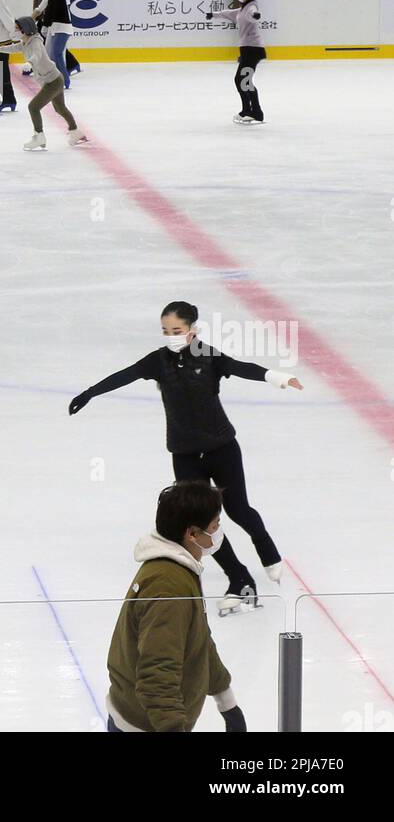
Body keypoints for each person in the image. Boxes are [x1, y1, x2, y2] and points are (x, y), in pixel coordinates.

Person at [69, 300, 303, 612]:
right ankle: (240, 578)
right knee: (201, 521)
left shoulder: (209, 356)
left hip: (221, 447)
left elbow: (239, 367)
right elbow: (124, 375)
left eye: (176, 330)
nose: (171, 336)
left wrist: (276, 376)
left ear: (192, 328)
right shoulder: (158, 361)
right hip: (184, 453)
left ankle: (268, 552)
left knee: (237, 509)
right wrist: (89, 393)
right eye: (166, 330)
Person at [105, 482, 247, 733]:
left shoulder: (178, 570)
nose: (218, 532)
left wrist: (226, 700)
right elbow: (157, 675)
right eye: (214, 526)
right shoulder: (168, 589)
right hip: (145, 725)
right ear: (192, 533)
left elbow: (197, 639)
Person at [13, 16, 85, 150]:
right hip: (55, 78)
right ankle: (75, 132)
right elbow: (12, 48)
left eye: (17, 29)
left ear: (25, 30)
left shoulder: (36, 43)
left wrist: (29, 63)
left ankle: (39, 136)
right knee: (60, 108)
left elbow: (37, 55)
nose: (15, 31)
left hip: (53, 81)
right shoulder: (25, 42)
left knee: (33, 107)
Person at [206, 0, 266, 124]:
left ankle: (254, 112)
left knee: (243, 81)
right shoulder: (242, 9)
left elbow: (253, 14)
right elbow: (229, 13)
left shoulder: (251, 7)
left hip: (253, 49)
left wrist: (255, 16)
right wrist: (213, 15)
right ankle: (250, 111)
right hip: (248, 50)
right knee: (243, 80)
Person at [32, 0, 82, 77]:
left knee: (59, 51)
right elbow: (47, 0)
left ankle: (63, 75)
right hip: (54, 21)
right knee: (53, 49)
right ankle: (57, 73)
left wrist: (41, 16)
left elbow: (52, 2)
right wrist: (38, 11)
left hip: (61, 19)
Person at [35, 0, 72, 90]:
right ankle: (56, 79)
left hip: (62, 28)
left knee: (56, 54)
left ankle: (65, 80)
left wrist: (45, 25)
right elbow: (50, 10)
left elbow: (52, 10)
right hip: (57, 27)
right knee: (52, 54)